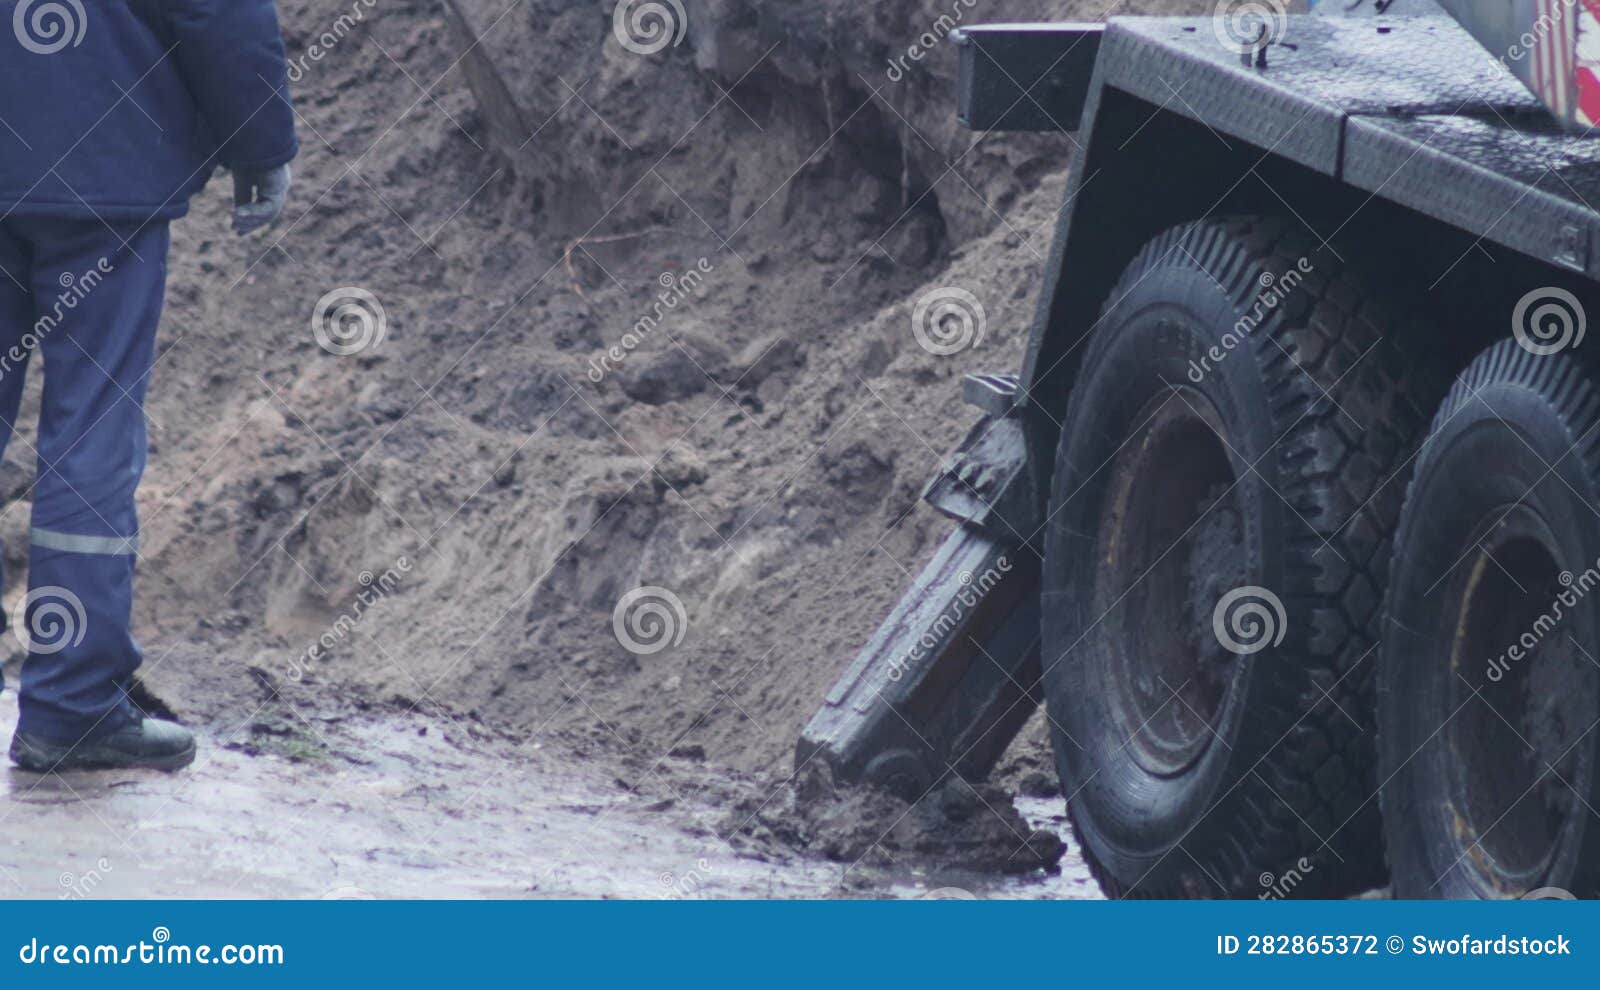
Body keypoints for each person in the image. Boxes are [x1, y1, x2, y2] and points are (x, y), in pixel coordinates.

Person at [0, 0, 298, 771]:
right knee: (91, 435)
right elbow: (217, 11)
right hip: (101, 165)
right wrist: (261, 144)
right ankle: (70, 708)